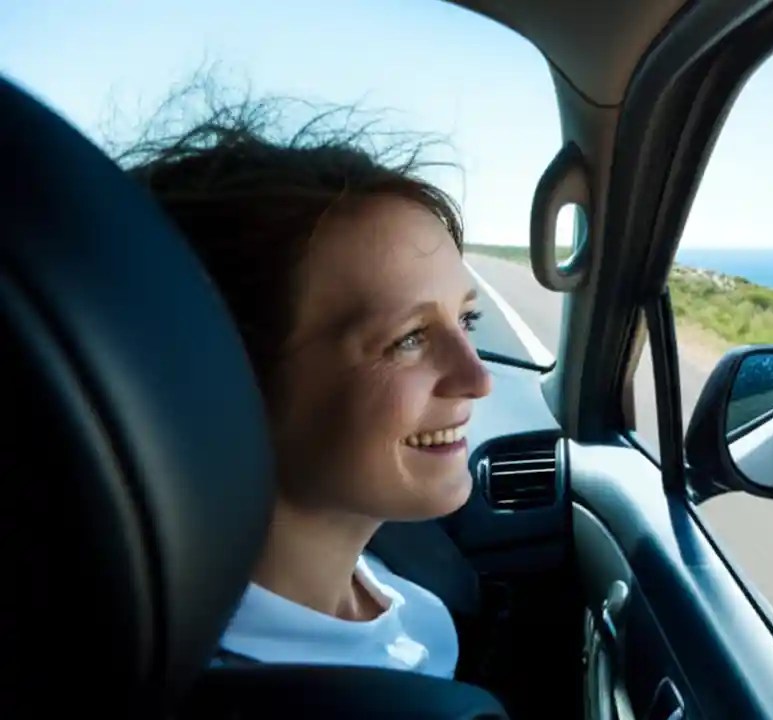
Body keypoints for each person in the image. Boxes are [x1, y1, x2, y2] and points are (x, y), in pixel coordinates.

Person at [116, 82, 492, 679]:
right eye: (409, 339)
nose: (477, 378)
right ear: (230, 379)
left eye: (466, 320)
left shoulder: (392, 587)